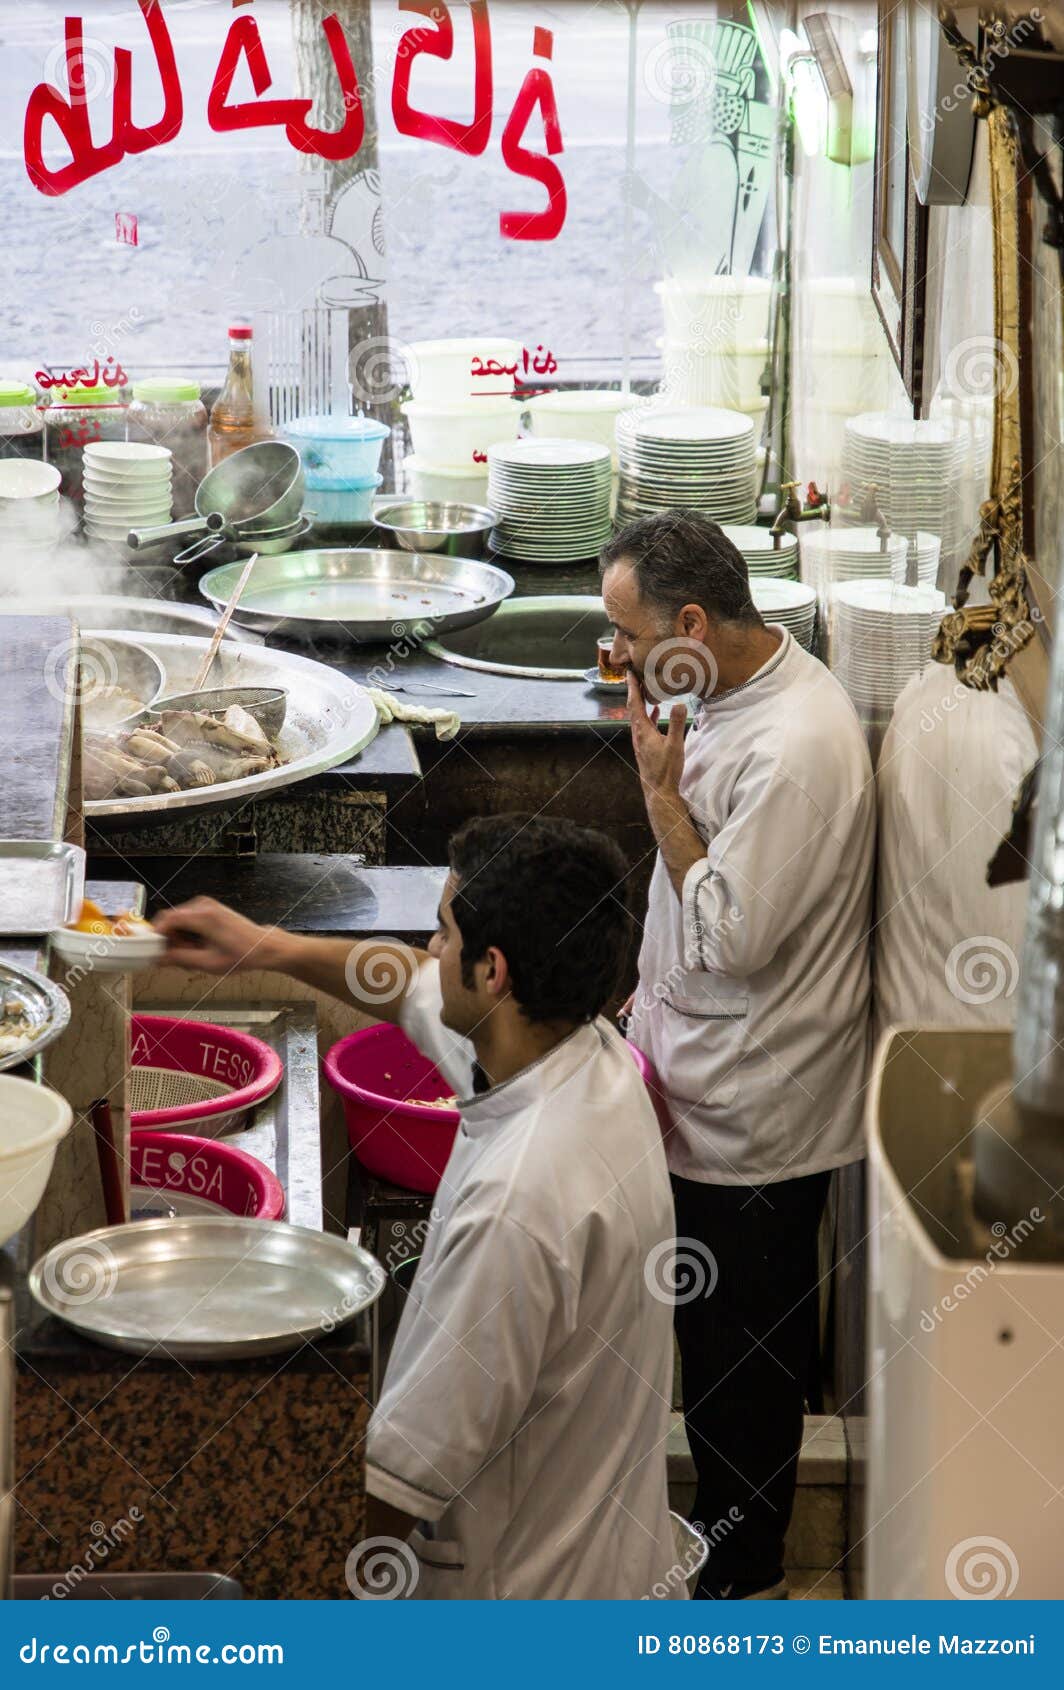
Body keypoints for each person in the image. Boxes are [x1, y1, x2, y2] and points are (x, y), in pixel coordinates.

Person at [155, 814, 684, 1601]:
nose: (428, 952)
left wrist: (310, 1597)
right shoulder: (583, 1054)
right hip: (611, 1565)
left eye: (441, 933)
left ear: (493, 971)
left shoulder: (518, 1205)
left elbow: (405, 1475)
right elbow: (405, 983)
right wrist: (262, 947)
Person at [599, 511, 875, 1600]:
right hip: (697, 1075)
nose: (612, 656)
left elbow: (728, 934)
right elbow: (694, 907)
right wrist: (641, 994)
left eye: (625, 631)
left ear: (696, 622)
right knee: (710, 1358)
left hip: (756, 1121)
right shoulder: (718, 694)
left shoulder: (796, 744)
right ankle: (720, 1557)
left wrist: (657, 792)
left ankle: (744, 1588)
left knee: (740, 1374)